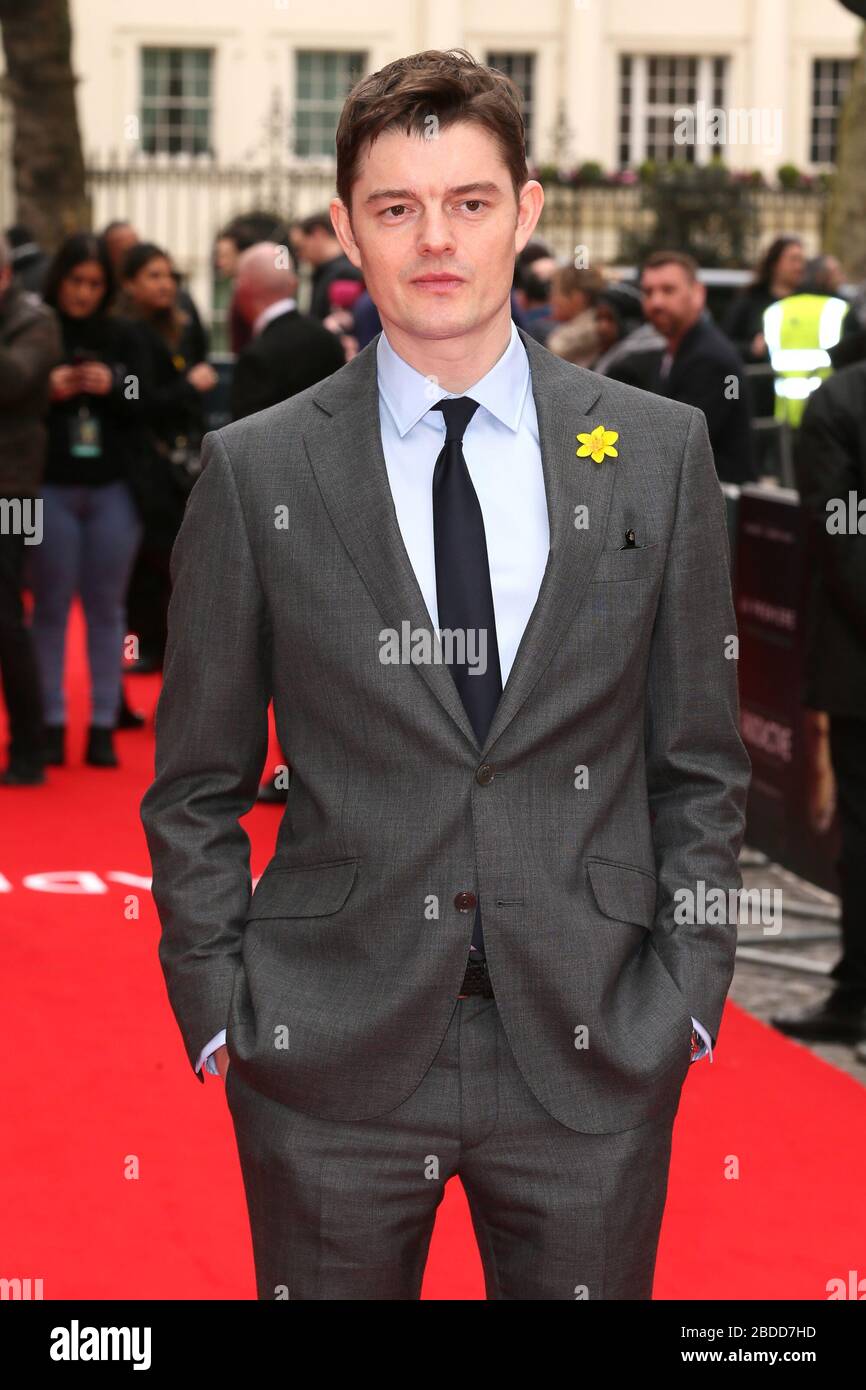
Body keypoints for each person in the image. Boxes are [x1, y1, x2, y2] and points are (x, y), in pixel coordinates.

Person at [141, 47, 750, 1302]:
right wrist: (219, 1001)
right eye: (396, 206)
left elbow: (698, 760)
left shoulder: (655, 452)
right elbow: (195, 779)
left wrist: (684, 995)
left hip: (594, 1048)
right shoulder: (257, 472)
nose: (435, 240)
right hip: (327, 1057)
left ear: (525, 215)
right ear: (343, 229)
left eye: (469, 202)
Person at [771, 361, 866, 1048]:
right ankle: (857, 994)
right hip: (859, 661)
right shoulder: (841, 400)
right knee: (861, 840)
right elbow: (840, 535)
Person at [30, 234, 145, 769]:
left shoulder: (122, 333)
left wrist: (115, 382)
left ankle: (102, 722)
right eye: (76, 281)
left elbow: (147, 397)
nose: (84, 293)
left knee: (107, 610)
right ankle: (50, 722)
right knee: (50, 609)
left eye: (95, 284)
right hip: (48, 484)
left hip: (111, 487)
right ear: (59, 281)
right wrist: (44, 388)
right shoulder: (38, 327)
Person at [116, 241, 216, 674]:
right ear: (130, 284)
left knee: (183, 556)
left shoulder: (184, 325)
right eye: (152, 276)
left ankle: (180, 643)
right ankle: (150, 646)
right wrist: (189, 386)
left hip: (183, 460)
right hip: (148, 464)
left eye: (167, 276)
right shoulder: (129, 333)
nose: (163, 285)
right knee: (152, 560)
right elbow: (136, 401)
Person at [0, 234, 62, 786]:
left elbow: (13, 380)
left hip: (11, 492)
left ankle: (30, 746)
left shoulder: (34, 320)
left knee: (6, 618)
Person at [640, 251, 756, 485]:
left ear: (698, 294)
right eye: (648, 292)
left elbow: (676, 445)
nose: (656, 302)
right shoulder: (674, 349)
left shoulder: (709, 359)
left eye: (668, 290)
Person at [230, 242, 345, 422]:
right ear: (293, 284)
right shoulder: (327, 338)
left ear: (243, 288)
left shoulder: (256, 357)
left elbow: (245, 442)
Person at [289, 210, 364, 321]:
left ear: (318, 234)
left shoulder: (346, 273)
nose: (299, 256)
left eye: (300, 248)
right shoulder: (324, 272)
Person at [591, 280, 664, 382]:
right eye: (599, 318)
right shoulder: (606, 354)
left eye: (610, 319)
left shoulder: (634, 366)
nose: (602, 326)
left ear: (630, 323)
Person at [545, 264, 603, 366]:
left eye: (556, 292)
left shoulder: (567, 342)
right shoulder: (600, 324)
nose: (552, 300)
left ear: (577, 298)